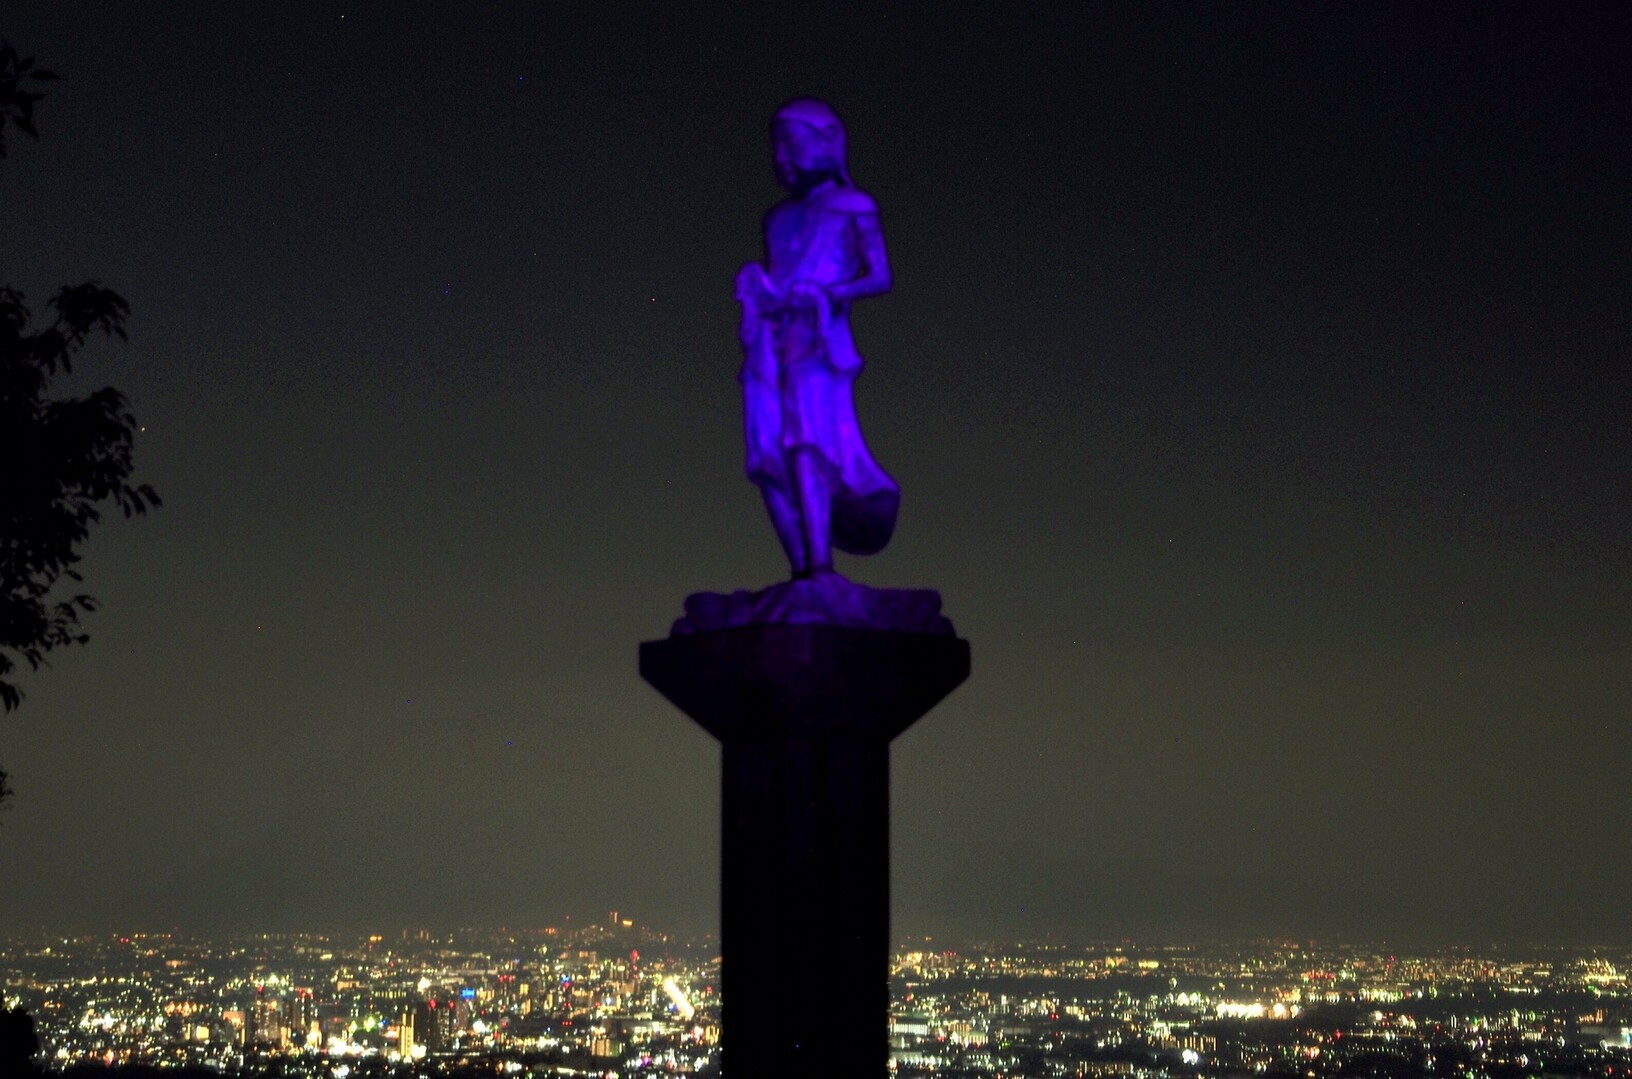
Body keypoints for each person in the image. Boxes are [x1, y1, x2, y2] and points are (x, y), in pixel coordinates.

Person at [735, 98, 899, 579]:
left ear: (827, 144)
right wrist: (758, 289)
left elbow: (879, 275)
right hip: (771, 337)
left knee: (808, 441)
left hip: (818, 338)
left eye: (792, 144)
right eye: (775, 148)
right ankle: (802, 570)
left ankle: (822, 569)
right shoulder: (777, 219)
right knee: (765, 452)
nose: (781, 158)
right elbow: (778, 272)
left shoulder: (852, 206)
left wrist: (826, 292)